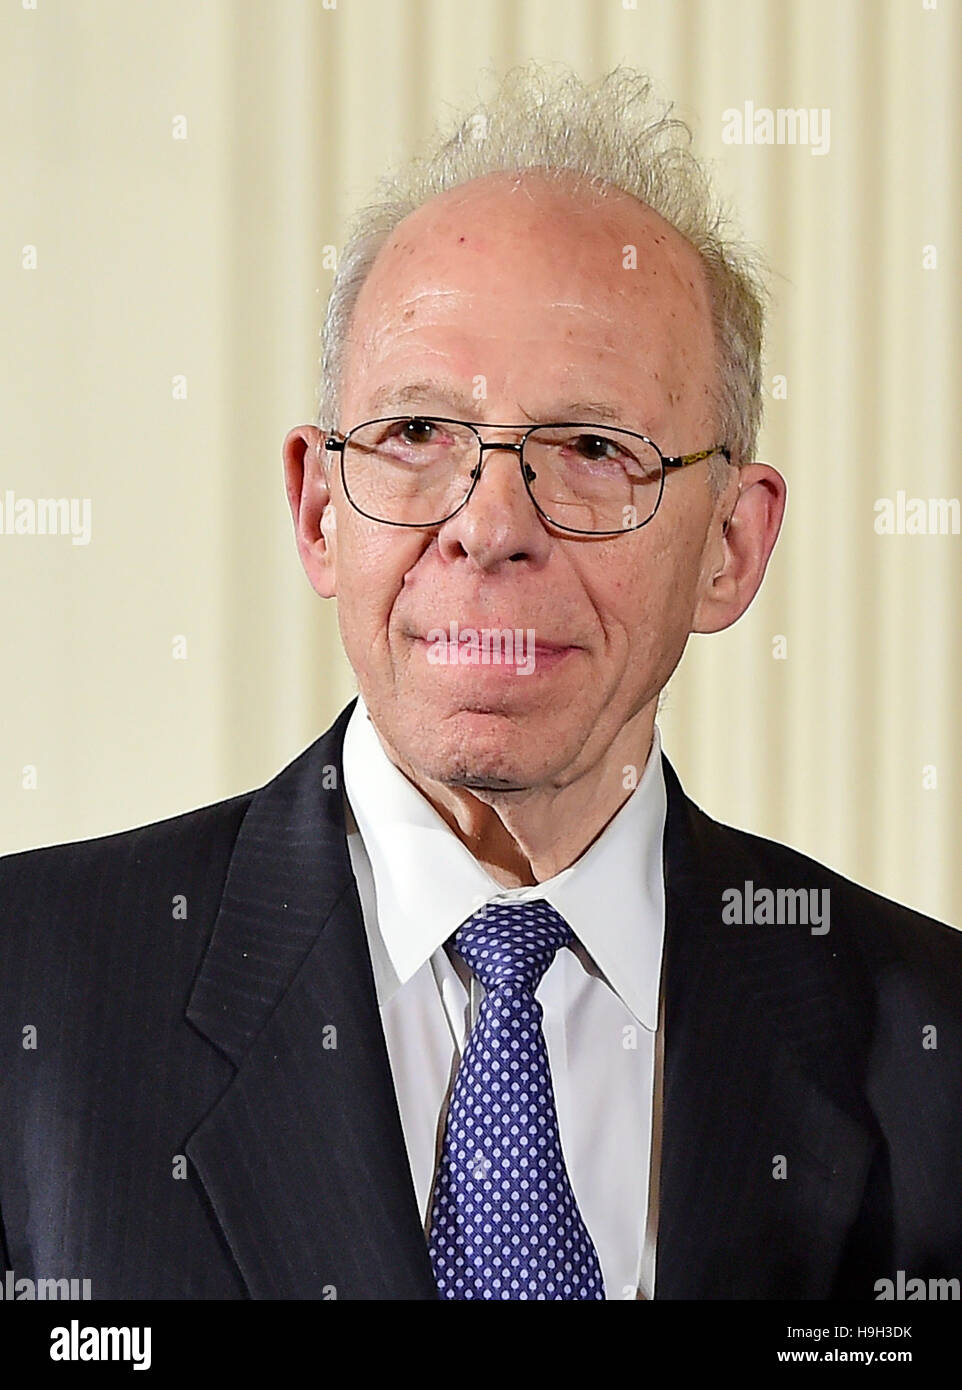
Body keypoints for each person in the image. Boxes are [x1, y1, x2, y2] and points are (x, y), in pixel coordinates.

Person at [1, 64, 959, 1302]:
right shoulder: (31, 989)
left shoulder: (931, 1046)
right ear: (315, 509)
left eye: (593, 448)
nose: (488, 524)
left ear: (730, 545)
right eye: (414, 436)